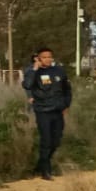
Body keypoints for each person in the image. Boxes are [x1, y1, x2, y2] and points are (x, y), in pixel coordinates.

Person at [21, 46, 71, 180]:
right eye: (44, 57)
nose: (48, 59)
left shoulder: (58, 71)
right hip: (43, 110)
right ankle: (46, 171)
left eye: (49, 57)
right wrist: (35, 69)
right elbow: (27, 85)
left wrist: (66, 104)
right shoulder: (32, 72)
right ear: (38, 58)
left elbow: (67, 89)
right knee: (46, 140)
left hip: (58, 110)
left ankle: (40, 165)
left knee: (56, 140)